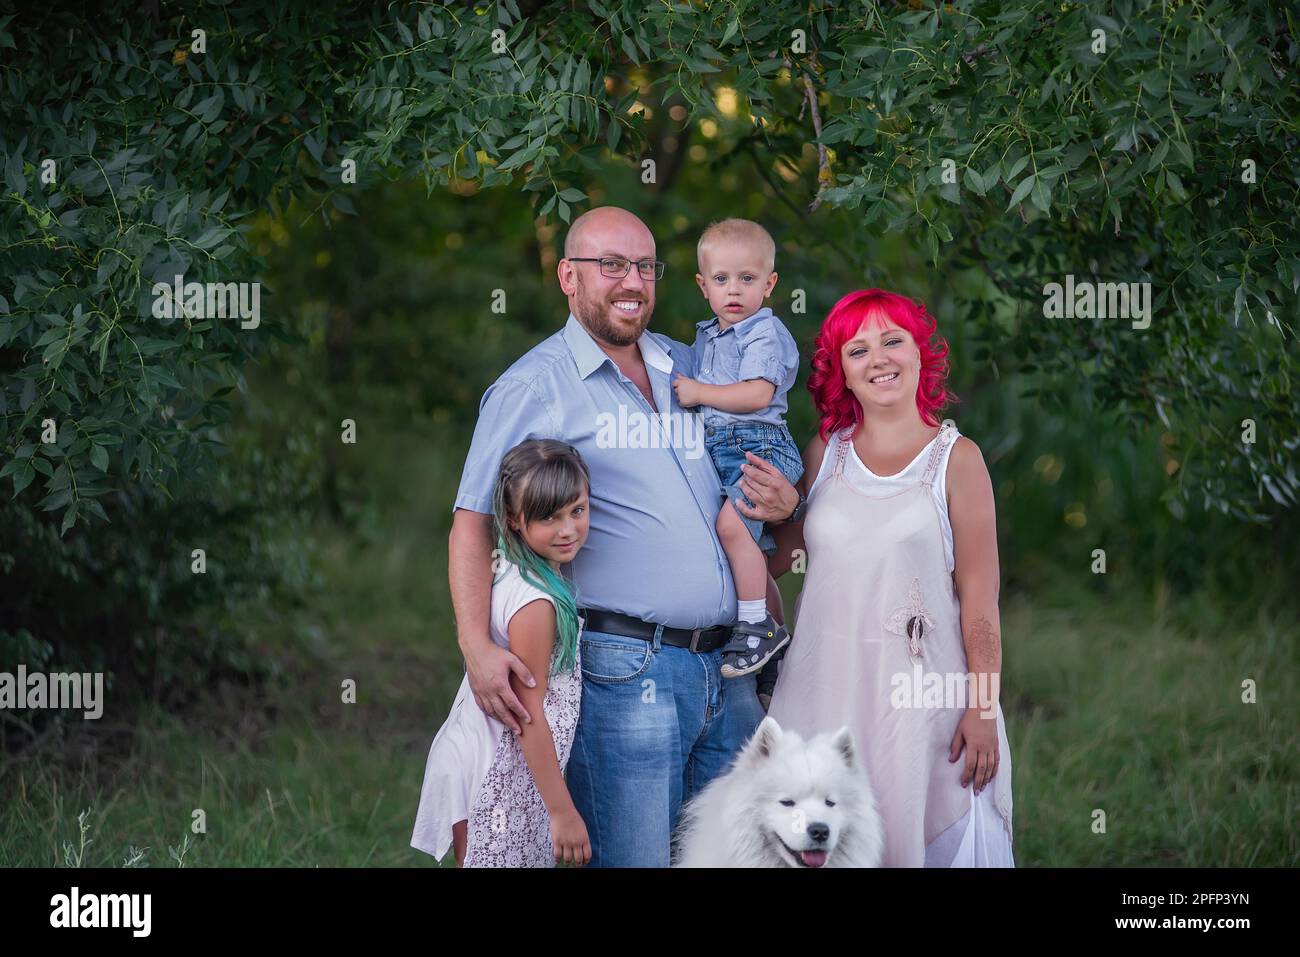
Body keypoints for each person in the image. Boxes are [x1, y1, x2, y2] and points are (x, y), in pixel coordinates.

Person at [446, 206, 801, 866]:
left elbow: (753, 452)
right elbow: (471, 519)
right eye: (611, 264)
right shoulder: (533, 385)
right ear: (567, 277)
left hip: (731, 669)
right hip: (627, 671)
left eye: (644, 265)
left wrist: (786, 498)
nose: (632, 280)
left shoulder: (684, 363)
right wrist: (475, 644)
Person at [766, 289, 1015, 867]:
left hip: (926, 703)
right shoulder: (825, 451)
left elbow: (980, 598)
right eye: (858, 350)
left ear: (919, 355)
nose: (878, 358)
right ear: (842, 374)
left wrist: (982, 707)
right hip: (824, 689)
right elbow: (784, 558)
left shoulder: (958, 459)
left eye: (892, 341)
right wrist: (776, 511)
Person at [412, 439, 593, 867]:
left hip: (500, 761)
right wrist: (562, 811)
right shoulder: (536, 603)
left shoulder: (523, 569)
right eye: (549, 517)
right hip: (494, 767)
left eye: (577, 511)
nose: (567, 530)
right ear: (514, 519)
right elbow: (528, 715)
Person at [671, 218, 804, 679]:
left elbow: (757, 395)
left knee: (733, 528)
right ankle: (775, 644)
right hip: (726, 447)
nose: (734, 290)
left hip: (759, 446)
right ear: (702, 285)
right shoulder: (708, 334)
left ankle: (755, 627)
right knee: (745, 545)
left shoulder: (763, 334)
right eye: (721, 279)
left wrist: (698, 394)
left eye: (747, 279)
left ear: (769, 285)